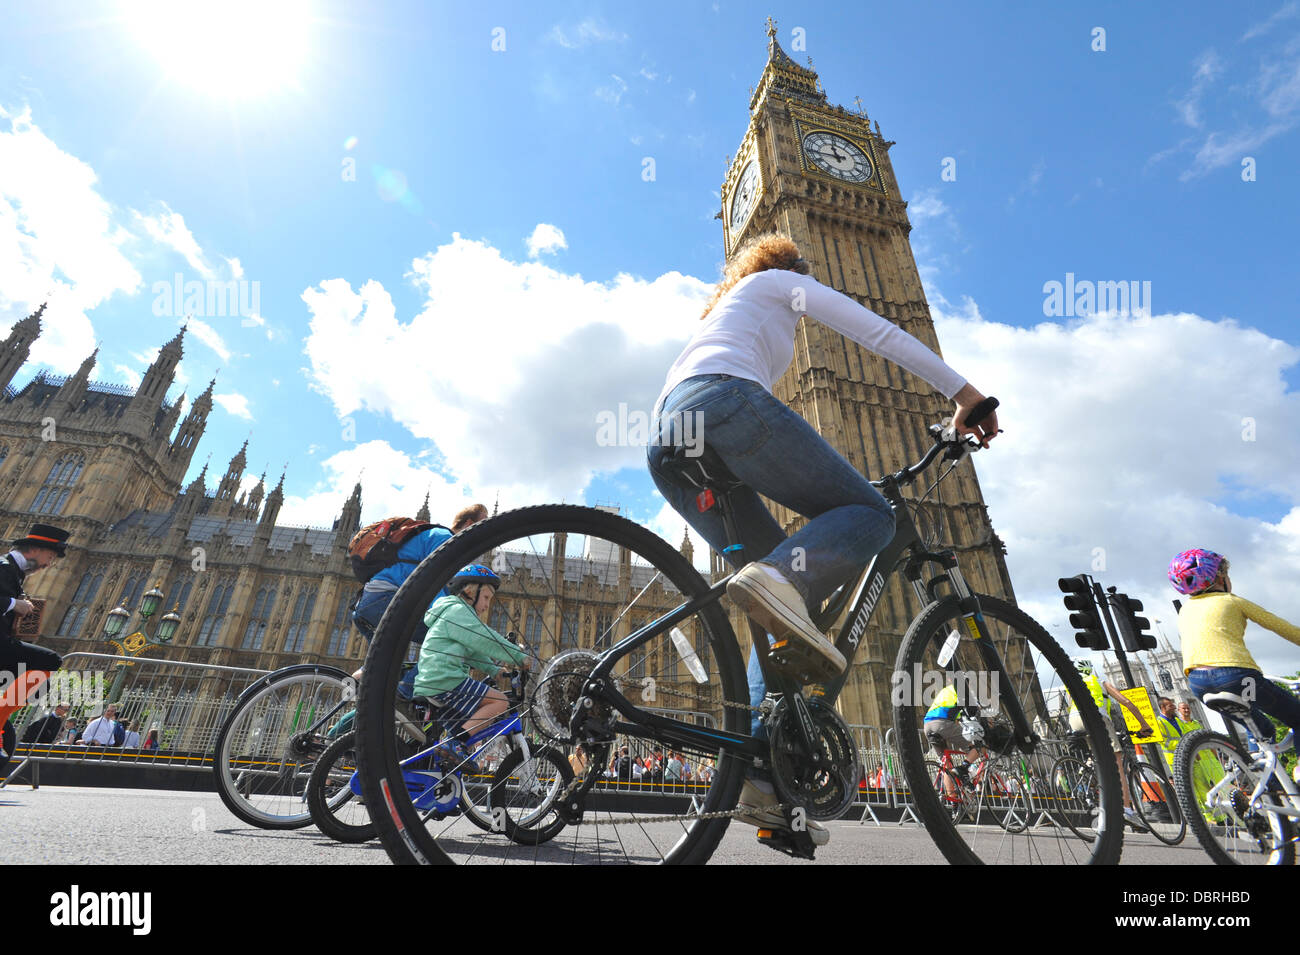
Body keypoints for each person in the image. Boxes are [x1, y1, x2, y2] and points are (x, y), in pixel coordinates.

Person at [646, 232, 999, 847]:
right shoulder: (780, 284)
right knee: (871, 513)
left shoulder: (727, 315)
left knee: (777, 609)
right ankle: (780, 580)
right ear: (790, 267)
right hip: (725, 406)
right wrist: (966, 394)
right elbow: (877, 332)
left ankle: (760, 773)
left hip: (670, 442)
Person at [1171, 549, 1300, 747]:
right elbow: (1282, 627)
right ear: (1220, 578)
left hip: (1198, 684)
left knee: (1258, 727)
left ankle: (1259, 772)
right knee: (1296, 718)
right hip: (1239, 679)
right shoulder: (1232, 601)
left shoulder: (1186, 610)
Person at [411, 565, 529, 769]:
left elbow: (473, 651)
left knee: (459, 738)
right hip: (445, 680)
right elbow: (483, 638)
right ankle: (455, 744)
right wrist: (518, 656)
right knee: (499, 702)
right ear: (470, 592)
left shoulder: (452, 610)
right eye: (485, 598)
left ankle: (444, 772)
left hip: (436, 681)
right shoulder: (458, 611)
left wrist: (495, 670)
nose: (486, 606)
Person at [0, 523, 71, 760]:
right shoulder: (3, 566)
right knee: (50, 660)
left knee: (41, 686)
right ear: (36, 549)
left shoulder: (14, 572)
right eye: (49, 557)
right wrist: (13, 604)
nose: (48, 565)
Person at [1069, 659, 1154, 827]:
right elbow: (1127, 702)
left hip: (1075, 721)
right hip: (1096, 717)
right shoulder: (1099, 682)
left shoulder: (1072, 682)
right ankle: (1127, 810)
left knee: (1099, 762)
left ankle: (1102, 806)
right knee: (1117, 764)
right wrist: (1144, 724)